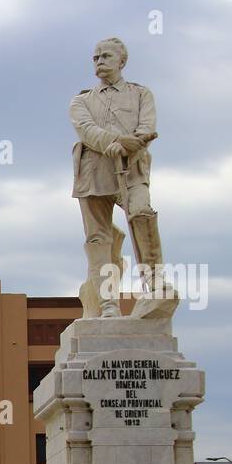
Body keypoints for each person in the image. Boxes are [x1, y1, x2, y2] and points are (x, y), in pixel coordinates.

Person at [70, 37, 174, 318]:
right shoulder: (81, 100)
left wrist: (127, 146)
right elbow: (86, 129)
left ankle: (153, 281)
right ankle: (107, 303)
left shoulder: (141, 94)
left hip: (133, 167)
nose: (99, 61)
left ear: (121, 61)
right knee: (99, 238)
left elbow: (146, 130)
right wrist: (113, 142)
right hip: (93, 171)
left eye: (106, 56)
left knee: (142, 213)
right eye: (95, 57)